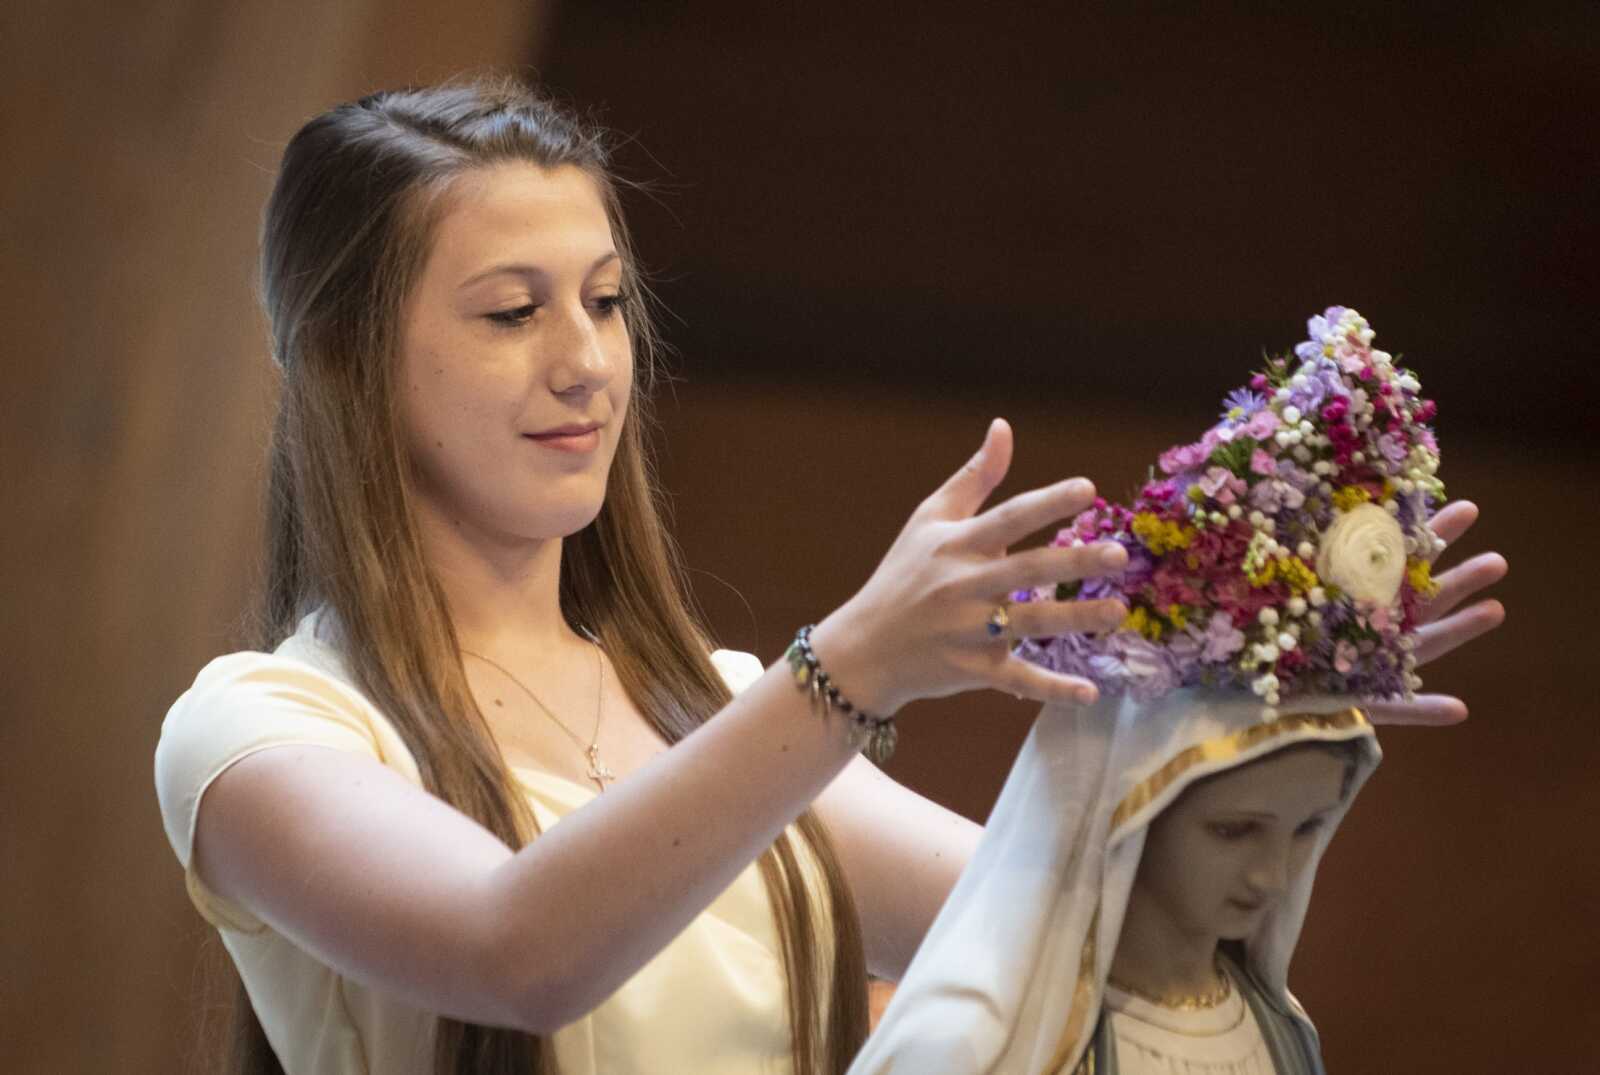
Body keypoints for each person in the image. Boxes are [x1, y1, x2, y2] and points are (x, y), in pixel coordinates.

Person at [152, 80, 1506, 1075]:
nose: (587, 360)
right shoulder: (264, 727)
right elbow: (518, 951)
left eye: (609, 300)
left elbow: (1079, 917)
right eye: (513, 310)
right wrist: (849, 664)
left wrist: (1251, 692)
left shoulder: (717, 706)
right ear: (341, 352)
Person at [847, 308, 1481, 1073]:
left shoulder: (1277, 1031)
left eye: (1308, 826)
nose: (1271, 873)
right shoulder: (974, 1041)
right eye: (1233, 829)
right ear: (1131, 807)